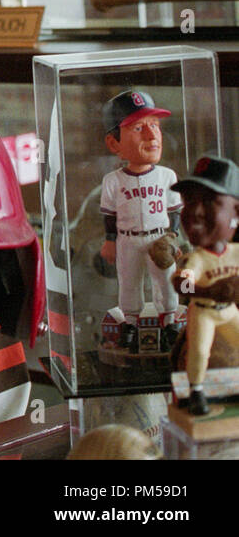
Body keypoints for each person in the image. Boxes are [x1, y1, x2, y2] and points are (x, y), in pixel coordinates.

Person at [97, 90, 183, 351]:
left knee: (166, 282)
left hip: (159, 237)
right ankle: (131, 326)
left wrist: (174, 238)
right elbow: (109, 215)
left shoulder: (167, 175)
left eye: (155, 125)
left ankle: (169, 323)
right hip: (128, 239)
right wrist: (110, 241)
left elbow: (175, 211)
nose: (151, 134)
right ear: (114, 144)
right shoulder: (113, 181)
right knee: (129, 283)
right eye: (138, 127)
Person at [165, 156, 239, 415]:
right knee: (198, 351)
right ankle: (196, 392)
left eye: (208, 201)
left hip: (229, 311)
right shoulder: (197, 258)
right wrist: (210, 290)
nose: (195, 211)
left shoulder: (235, 252)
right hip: (204, 311)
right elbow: (182, 286)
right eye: (189, 201)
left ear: (236, 213)